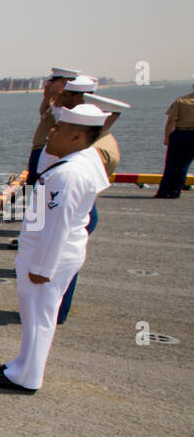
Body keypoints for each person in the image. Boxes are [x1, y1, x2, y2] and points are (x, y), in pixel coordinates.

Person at [0, 104, 111, 393]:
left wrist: (41, 268)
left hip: (47, 255)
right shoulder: (83, 159)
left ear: (78, 136)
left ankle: (26, 377)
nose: (52, 132)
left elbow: (58, 225)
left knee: (39, 318)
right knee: (35, 317)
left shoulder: (68, 175)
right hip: (57, 252)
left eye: (60, 129)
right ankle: (21, 364)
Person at [57, 94, 128, 323]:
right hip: (76, 211)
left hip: (74, 212)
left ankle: (57, 312)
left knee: (57, 275)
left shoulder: (93, 151)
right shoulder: (95, 145)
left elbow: (70, 197)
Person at [27, 67, 79, 181]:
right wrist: (47, 97)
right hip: (40, 152)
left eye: (53, 82)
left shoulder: (65, 106)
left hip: (47, 152)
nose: (49, 84)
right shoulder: (55, 103)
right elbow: (44, 114)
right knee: (34, 191)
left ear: (63, 83)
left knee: (39, 191)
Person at [156, 79, 194, 199]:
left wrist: (166, 137)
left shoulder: (181, 101)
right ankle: (176, 191)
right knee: (184, 165)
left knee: (171, 164)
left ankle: (164, 191)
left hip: (180, 134)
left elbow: (171, 120)